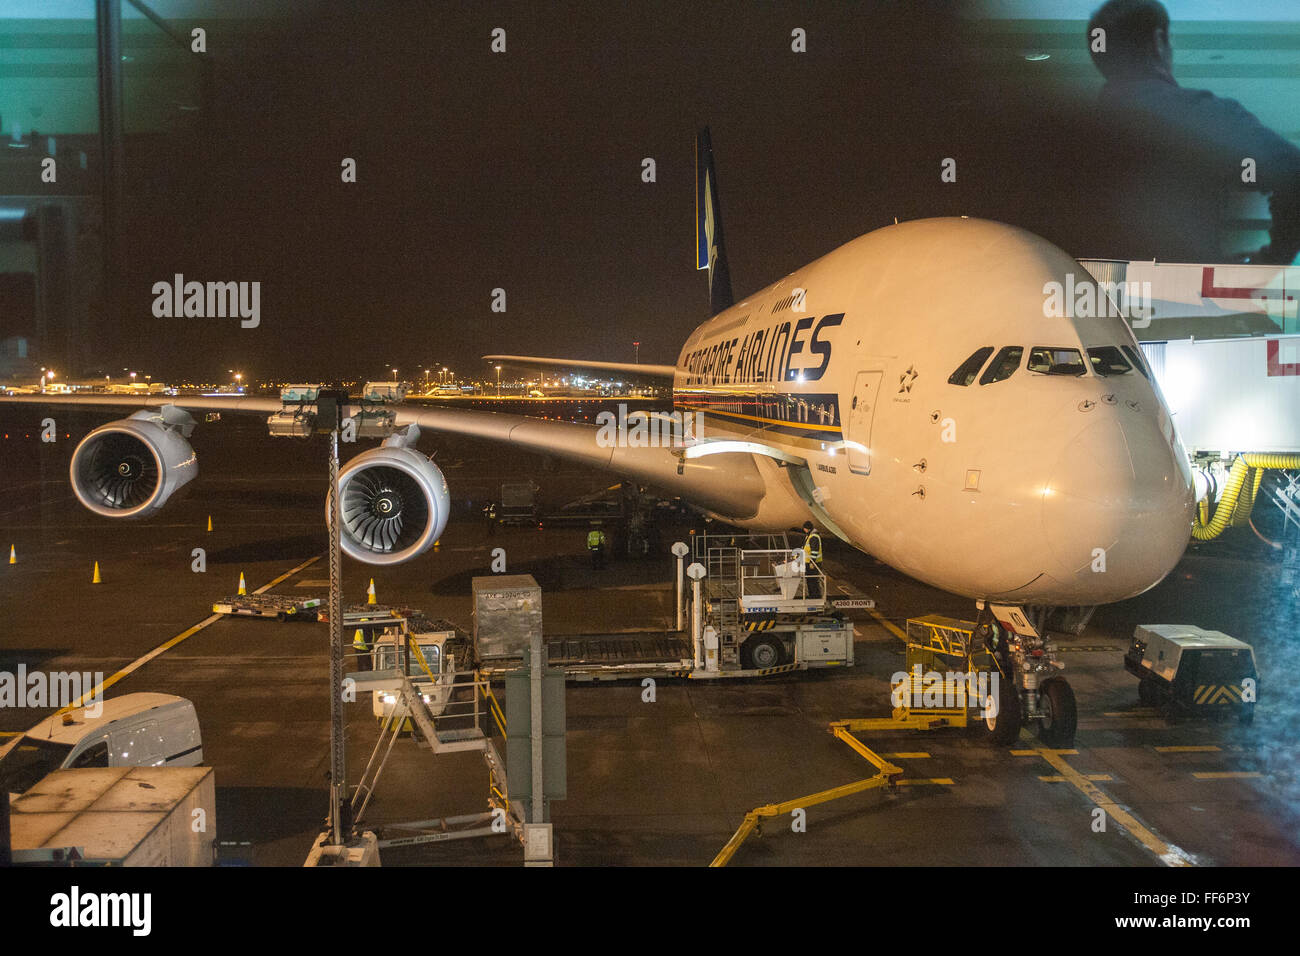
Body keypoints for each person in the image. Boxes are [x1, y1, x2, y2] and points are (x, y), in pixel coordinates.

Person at [1087, 0, 1300, 264]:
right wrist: (1269, 262)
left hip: (1088, 293)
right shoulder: (1204, 115)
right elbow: (1293, 171)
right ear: (1159, 41)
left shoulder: (1062, 132)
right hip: (1185, 295)